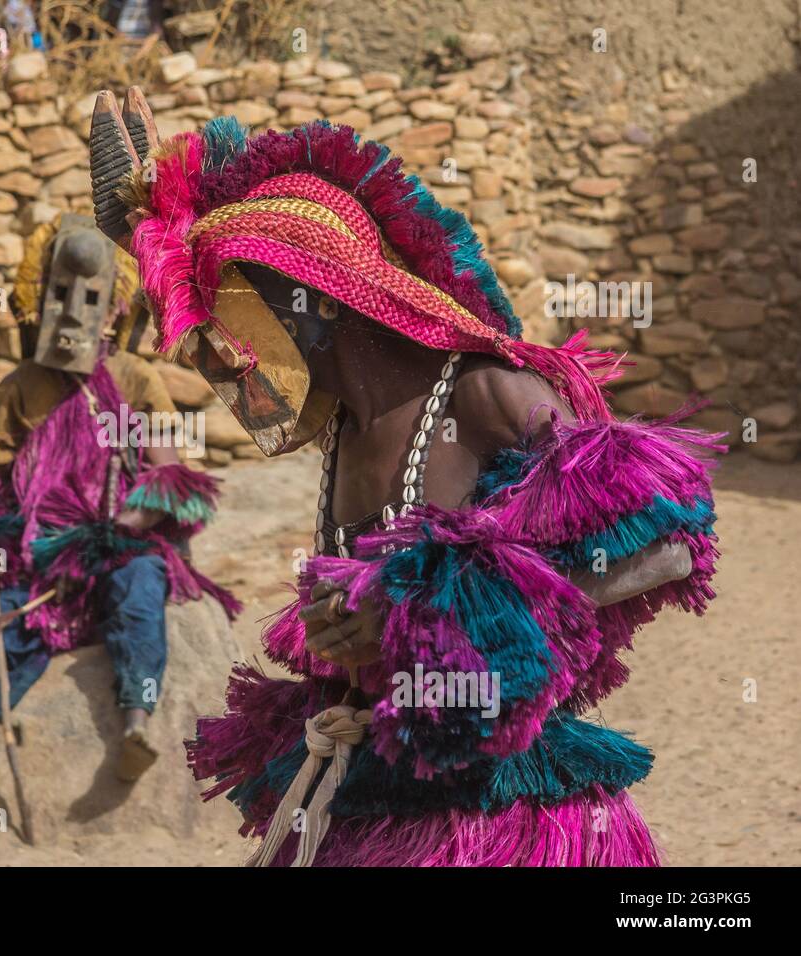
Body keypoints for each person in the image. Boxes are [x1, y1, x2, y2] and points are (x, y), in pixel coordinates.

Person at [88, 97, 723, 866]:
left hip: (496, 817)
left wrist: (418, 609)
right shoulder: (344, 432)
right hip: (371, 788)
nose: (223, 357)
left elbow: (670, 547)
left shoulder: (486, 394)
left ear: (317, 296)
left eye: (236, 316)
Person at [0, 214, 239, 832]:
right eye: (61, 295)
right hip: (37, 559)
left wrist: (123, 525)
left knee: (139, 592)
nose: (77, 311)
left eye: (92, 300)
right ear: (40, 300)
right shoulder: (18, 390)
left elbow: (172, 480)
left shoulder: (136, 379)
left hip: (118, 546)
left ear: (114, 310)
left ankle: (136, 724)